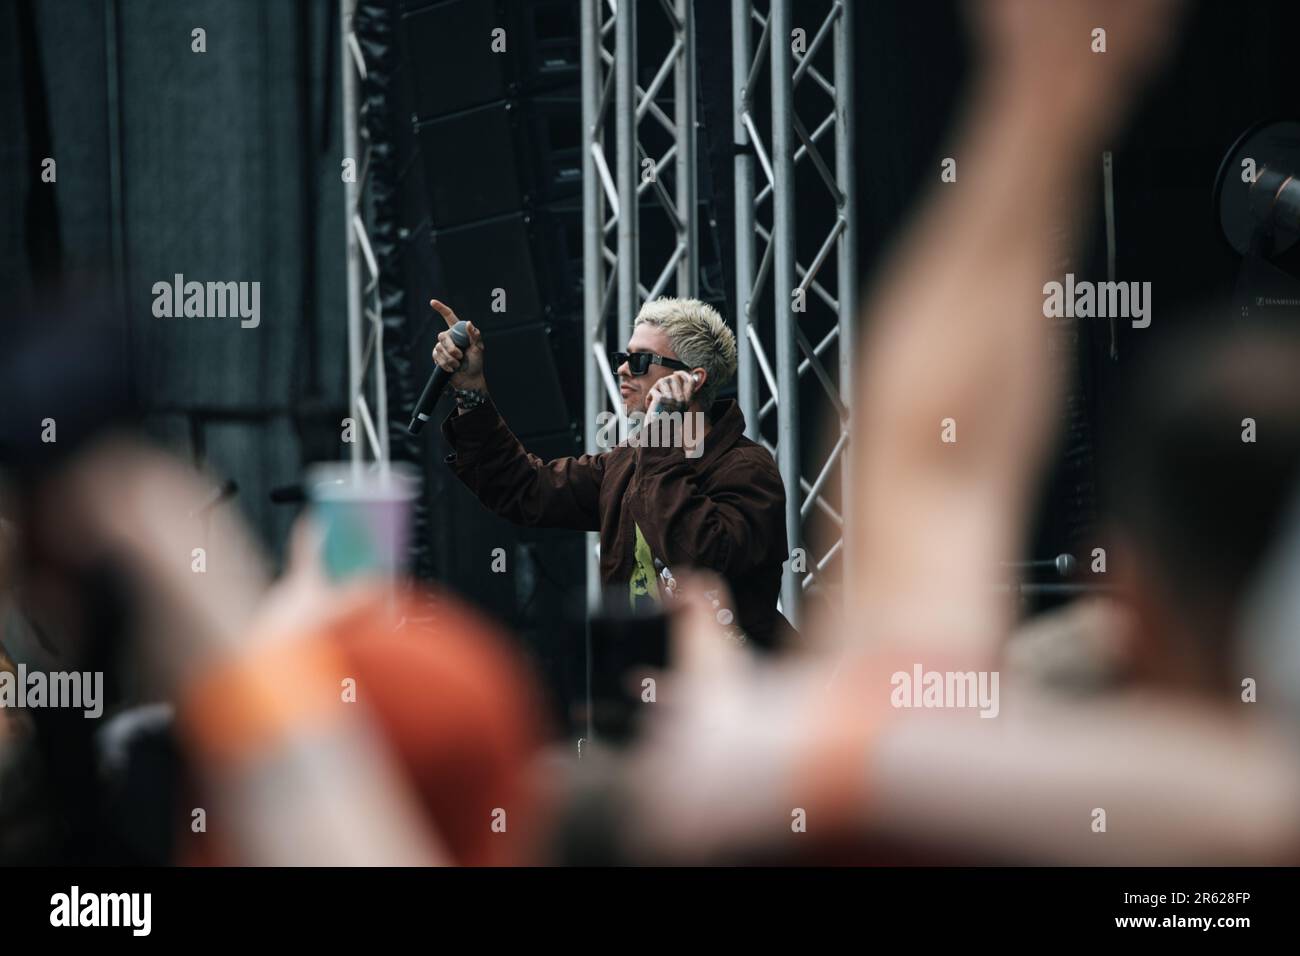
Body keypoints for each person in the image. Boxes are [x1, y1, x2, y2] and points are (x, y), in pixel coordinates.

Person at [431, 296, 796, 649]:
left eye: (639, 361)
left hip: (733, 694)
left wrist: (659, 439)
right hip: (642, 687)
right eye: (623, 357)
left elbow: (702, 561)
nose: (621, 368)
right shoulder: (627, 464)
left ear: (692, 379)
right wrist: (471, 393)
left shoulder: (748, 469)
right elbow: (525, 489)